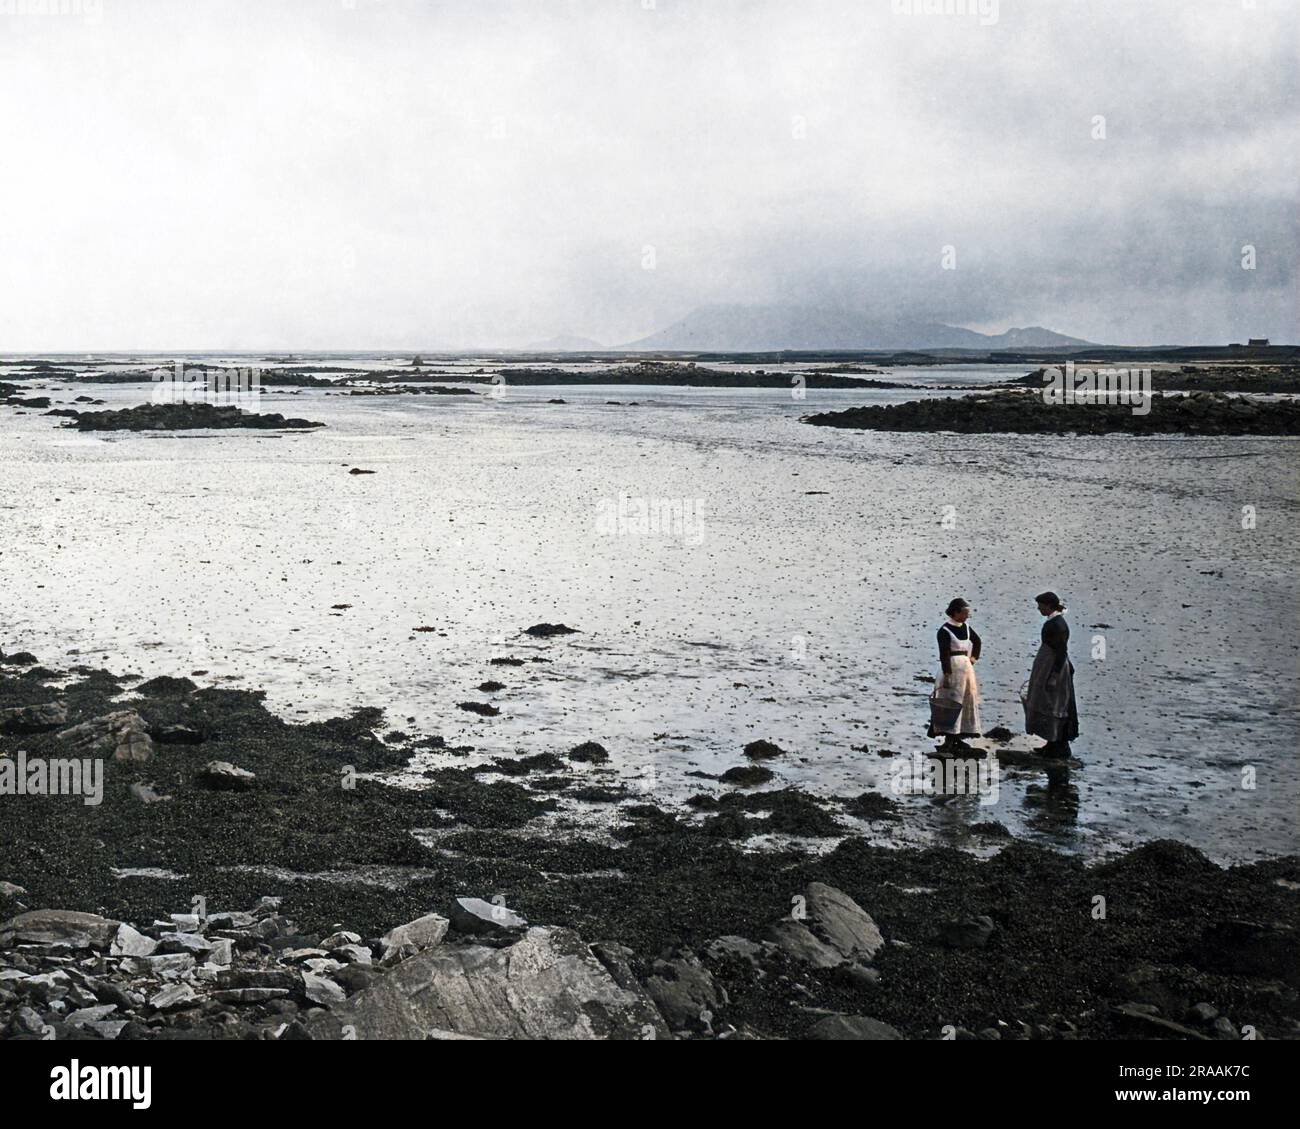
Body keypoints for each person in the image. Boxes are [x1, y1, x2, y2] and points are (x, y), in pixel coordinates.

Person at [1022, 591, 1079, 758]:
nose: (1039, 608)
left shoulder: (1057, 625)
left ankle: (1058, 745)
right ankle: (1051, 743)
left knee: (1054, 704)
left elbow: (1061, 651)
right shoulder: (1054, 622)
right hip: (1048, 665)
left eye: (1040, 605)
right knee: (1049, 702)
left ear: (1048, 605)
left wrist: (1054, 676)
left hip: (1054, 667)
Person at [927, 598, 982, 754]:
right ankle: (949, 737)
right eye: (964, 613)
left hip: (966, 669)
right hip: (952, 668)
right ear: (956, 612)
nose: (967, 616)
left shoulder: (967, 628)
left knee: (966, 700)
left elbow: (977, 642)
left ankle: (959, 736)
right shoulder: (944, 631)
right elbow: (944, 655)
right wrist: (947, 674)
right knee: (951, 701)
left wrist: (973, 658)